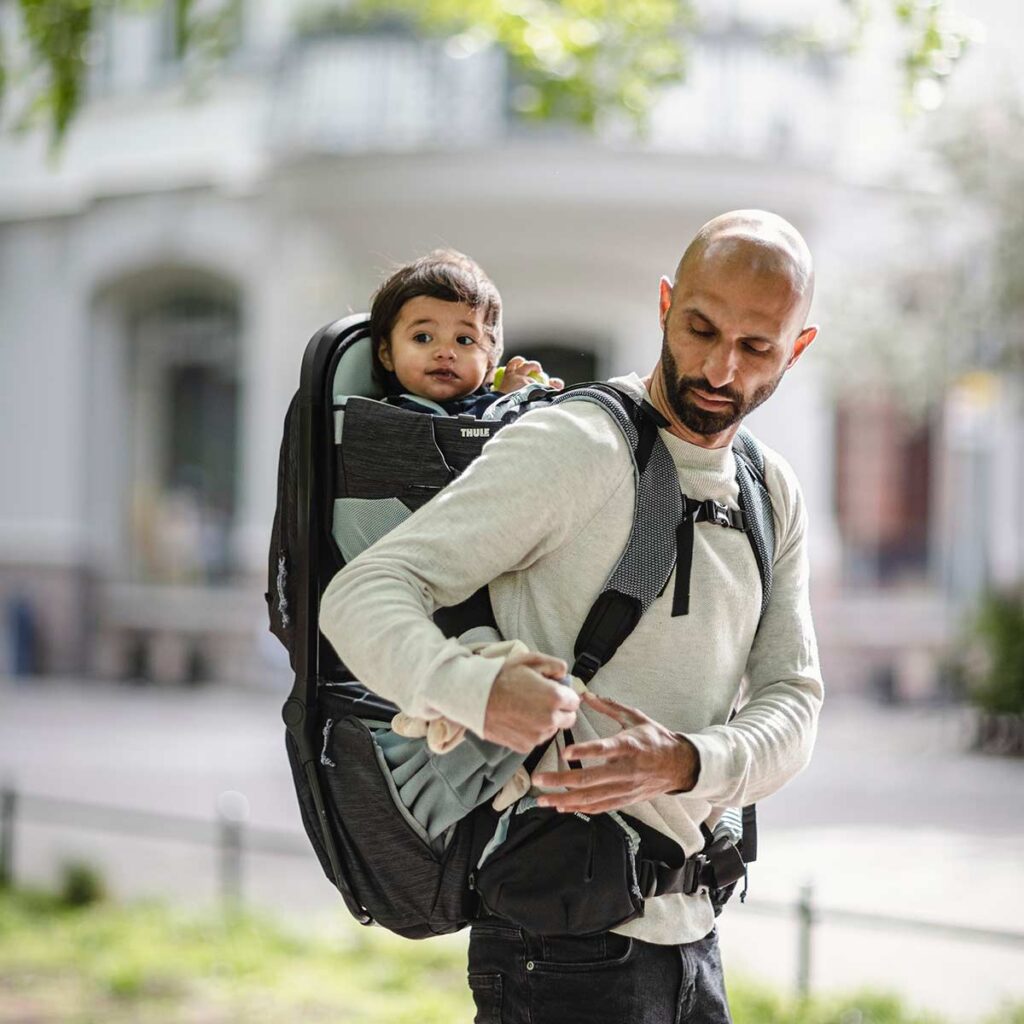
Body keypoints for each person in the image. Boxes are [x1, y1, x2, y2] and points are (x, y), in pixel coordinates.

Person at [320, 210, 824, 1023]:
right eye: (700, 328)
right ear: (665, 304)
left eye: (757, 347)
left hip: (694, 937)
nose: (721, 369)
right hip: (558, 948)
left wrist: (686, 763)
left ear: (796, 348)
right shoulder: (578, 445)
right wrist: (473, 691)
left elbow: (796, 704)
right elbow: (364, 592)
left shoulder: (771, 491)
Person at [369, 249, 563, 417]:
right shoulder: (394, 413)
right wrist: (504, 399)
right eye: (423, 337)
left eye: (464, 340)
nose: (445, 352)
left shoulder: (485, 398)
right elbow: (454, 435)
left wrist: (540, 402)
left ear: (489, 360)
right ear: (387, 354)